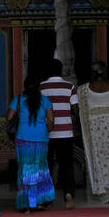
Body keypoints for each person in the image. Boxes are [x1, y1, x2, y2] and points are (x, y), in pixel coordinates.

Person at [76, 61, 109, 203]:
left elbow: (76, 108)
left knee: (98, 157)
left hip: (94, 130)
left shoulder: (84, 89)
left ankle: (102, 190)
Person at [7, 74, 55, 212]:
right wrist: (44, 132)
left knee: (25, 169)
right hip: (41, 138)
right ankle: (38, 203)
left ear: (25, 87)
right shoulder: (45, 100)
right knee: (40, 170)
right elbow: (51, 123)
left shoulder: (18, 100)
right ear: (39, 87)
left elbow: (9, 117)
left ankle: (27, 203)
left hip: (23, 138)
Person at [40, 59, 78, 208]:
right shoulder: (69, 86)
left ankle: (45, 199)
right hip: (66, 133)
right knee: (66, 165)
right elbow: (75, 109)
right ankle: (68, 195)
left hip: (46, 133)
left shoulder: (41, 87)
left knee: (46, 165)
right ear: (61, 70)